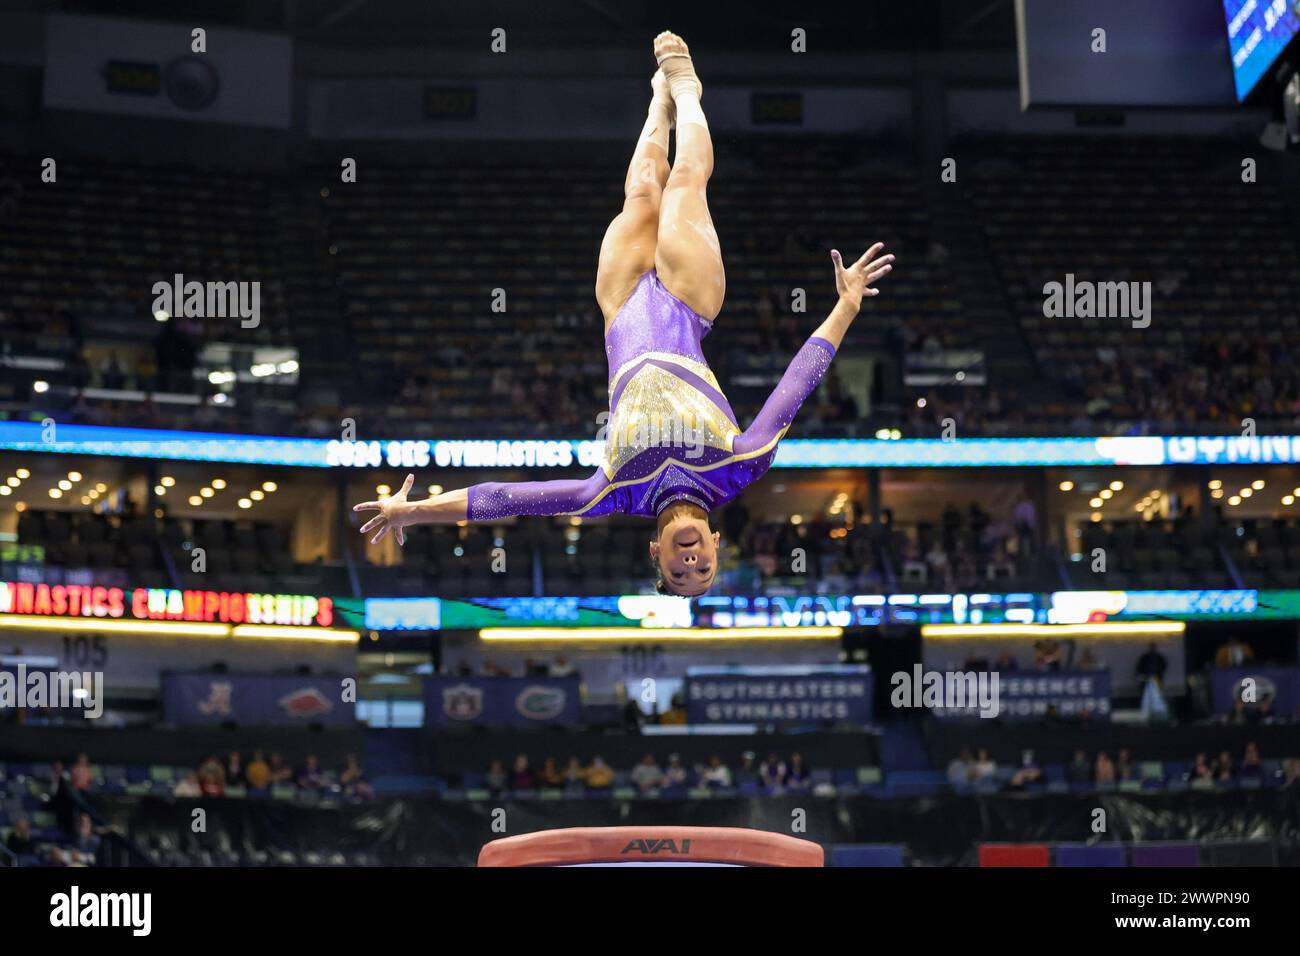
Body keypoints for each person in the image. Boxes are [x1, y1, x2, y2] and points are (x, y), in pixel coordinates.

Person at [351, 32, 895, 597]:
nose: (691, 564)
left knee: (640, 193)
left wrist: (411, 513)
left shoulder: (610, 491)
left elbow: (504, 499)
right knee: (684, 182)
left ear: (655, 553)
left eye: (676, 572)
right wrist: (847, 305)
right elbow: (796, 383)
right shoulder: (741, 465)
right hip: (688, 303)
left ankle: (658, 100)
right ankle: (686, 87)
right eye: (702, 569)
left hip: (622, 310)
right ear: (714, 542)